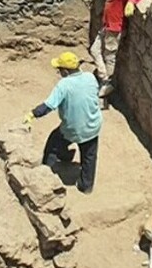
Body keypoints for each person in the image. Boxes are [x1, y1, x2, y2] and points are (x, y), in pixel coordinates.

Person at [24, 52, 102, 194]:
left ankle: (46, 173)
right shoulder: (90, 77)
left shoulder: (64, 85)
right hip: (93, 126)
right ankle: (86, 186)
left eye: (59, 69)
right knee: (89, 156)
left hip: (73, 128)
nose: (59, 72)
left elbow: (49, 106)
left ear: (65, 71)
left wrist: (32, 114)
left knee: (53, 143)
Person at [90, 0, 143, 105]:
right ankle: (105, 78)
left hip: (114, 28)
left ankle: (107, 84)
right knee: (94, 50)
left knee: (109, 55)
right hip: (106, 26)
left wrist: (131, 3)